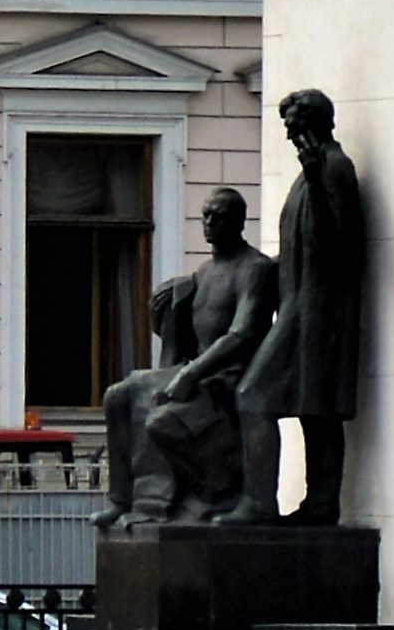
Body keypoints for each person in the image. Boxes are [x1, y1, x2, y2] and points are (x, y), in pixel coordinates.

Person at [234, 86, 370, 526]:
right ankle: (319, 502)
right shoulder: (309, 174)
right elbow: (298, 248)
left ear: (316, 125)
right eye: (290, 132)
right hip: (298, 305)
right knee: (315, 409)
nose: (293, 139)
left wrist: (314, 176)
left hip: (319, 312)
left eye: (296, 129)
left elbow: (345, 245)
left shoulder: (333, 169)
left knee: (266, 397)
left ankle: (276, 503)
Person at [103, 188, 273, 527]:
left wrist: (190, 375)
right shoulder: (204, 271)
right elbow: (183, 331)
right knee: (117, 396)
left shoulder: (254, 268)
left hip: (228, 378)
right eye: (205, 215)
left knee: (160, 421)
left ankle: (211, 494)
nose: (209, 223)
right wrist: (167, 306)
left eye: (218, 216)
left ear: (239, 221)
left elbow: (242, 334)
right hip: (194, 370)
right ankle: (122, 499)